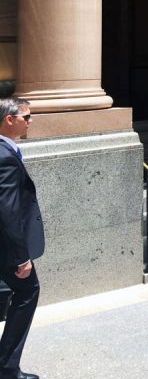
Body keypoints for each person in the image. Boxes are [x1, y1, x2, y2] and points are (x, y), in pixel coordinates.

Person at [0, 98, 44, 379]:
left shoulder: (7, 150)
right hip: (7, 247)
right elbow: (8, 209)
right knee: (28, 291)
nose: (30, 121)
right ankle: (6, 367)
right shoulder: (5, 156)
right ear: (8, 119)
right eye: (26, 117)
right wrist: (22, 255)